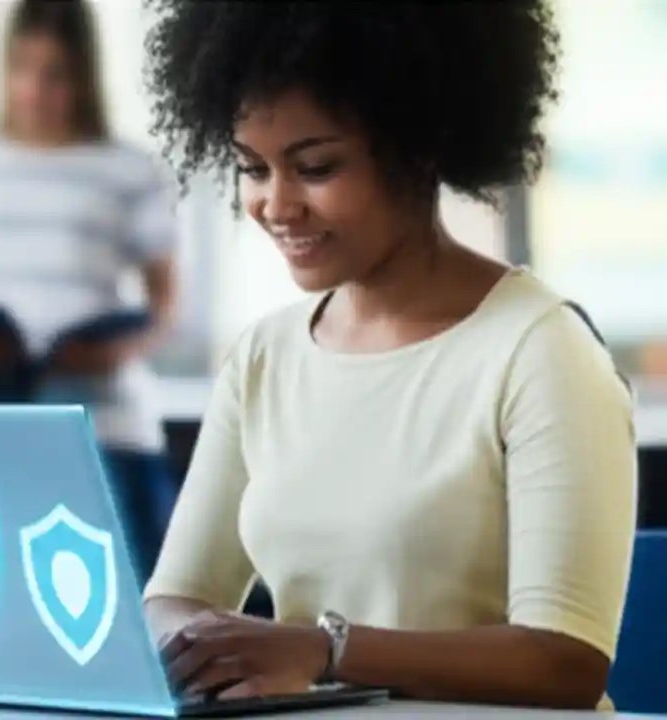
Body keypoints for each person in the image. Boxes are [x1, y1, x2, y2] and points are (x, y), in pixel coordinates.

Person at [141, 1, 635, 710]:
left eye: (315, 167)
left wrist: (326, 651)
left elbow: (565, 663)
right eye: (252, 168)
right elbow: (175, 599)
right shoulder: (263, 358)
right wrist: (201, 649)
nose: (277, 205)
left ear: (419, 146)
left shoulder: (539, 352)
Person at [0, 0, 179, 582]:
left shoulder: (128, 169)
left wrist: (112, 351)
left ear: (84, 77)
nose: (35, 90)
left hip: (106, 423)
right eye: (23, 68)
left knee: (127, 595)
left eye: (55, 73)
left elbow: (165, 304)